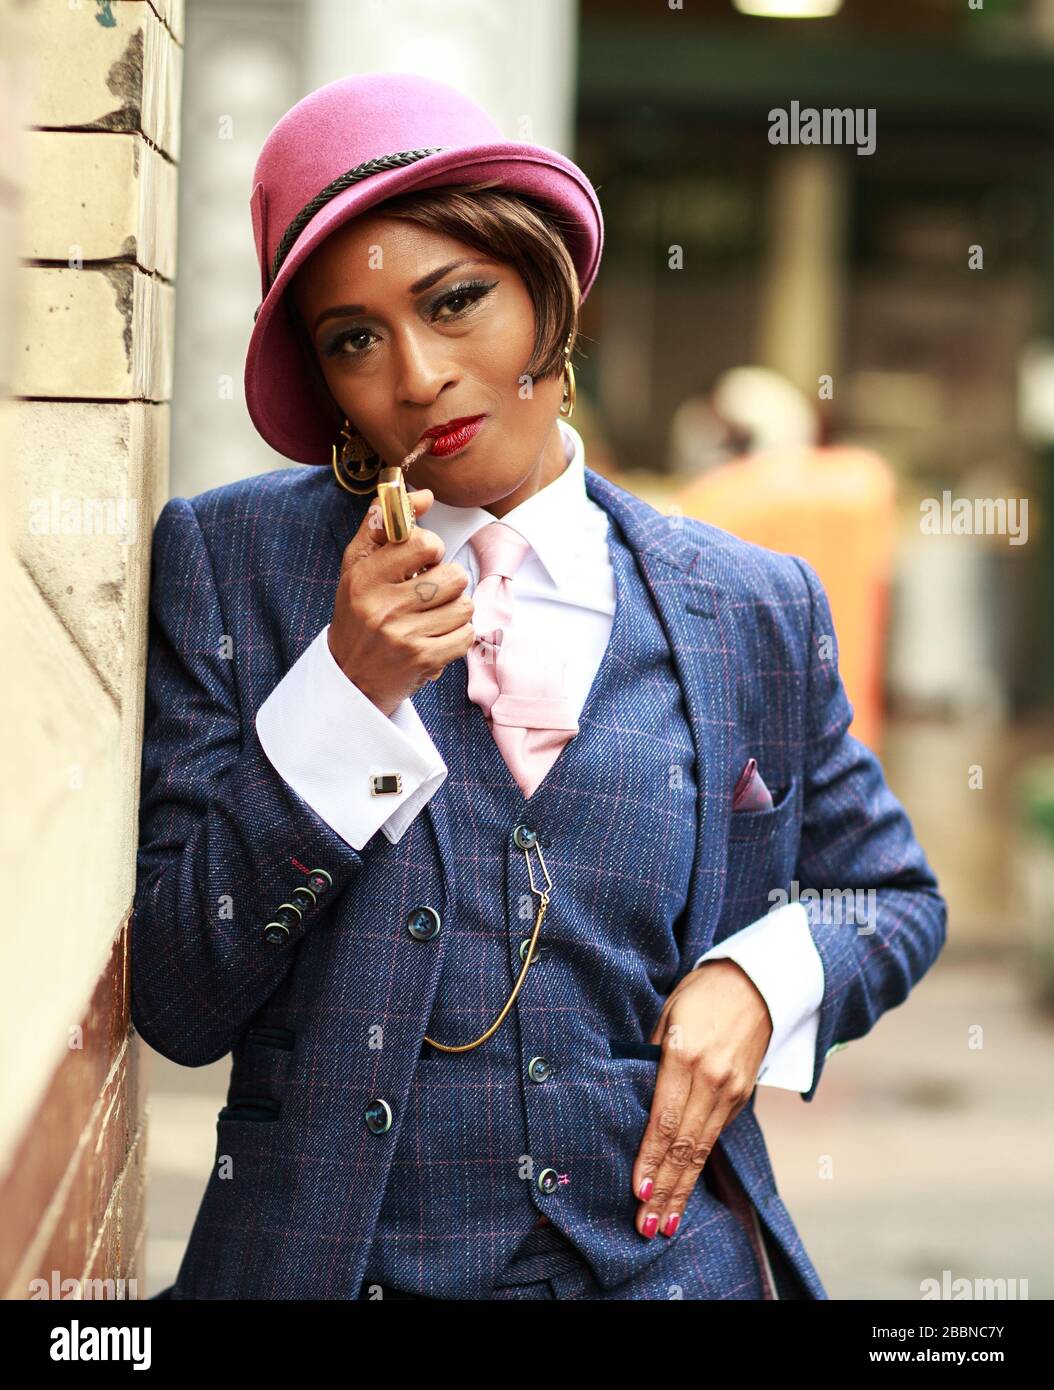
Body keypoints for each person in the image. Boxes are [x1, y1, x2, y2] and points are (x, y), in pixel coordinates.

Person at [133, 73, 947, 1301]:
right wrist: (343, 703)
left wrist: (761, 977)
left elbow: (886, 893)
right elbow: (181, 995)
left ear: (550, 292)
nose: (418, 375)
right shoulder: (231, 565)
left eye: (457, 302)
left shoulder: (748, 601)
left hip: (672, 1272)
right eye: (354, 338)